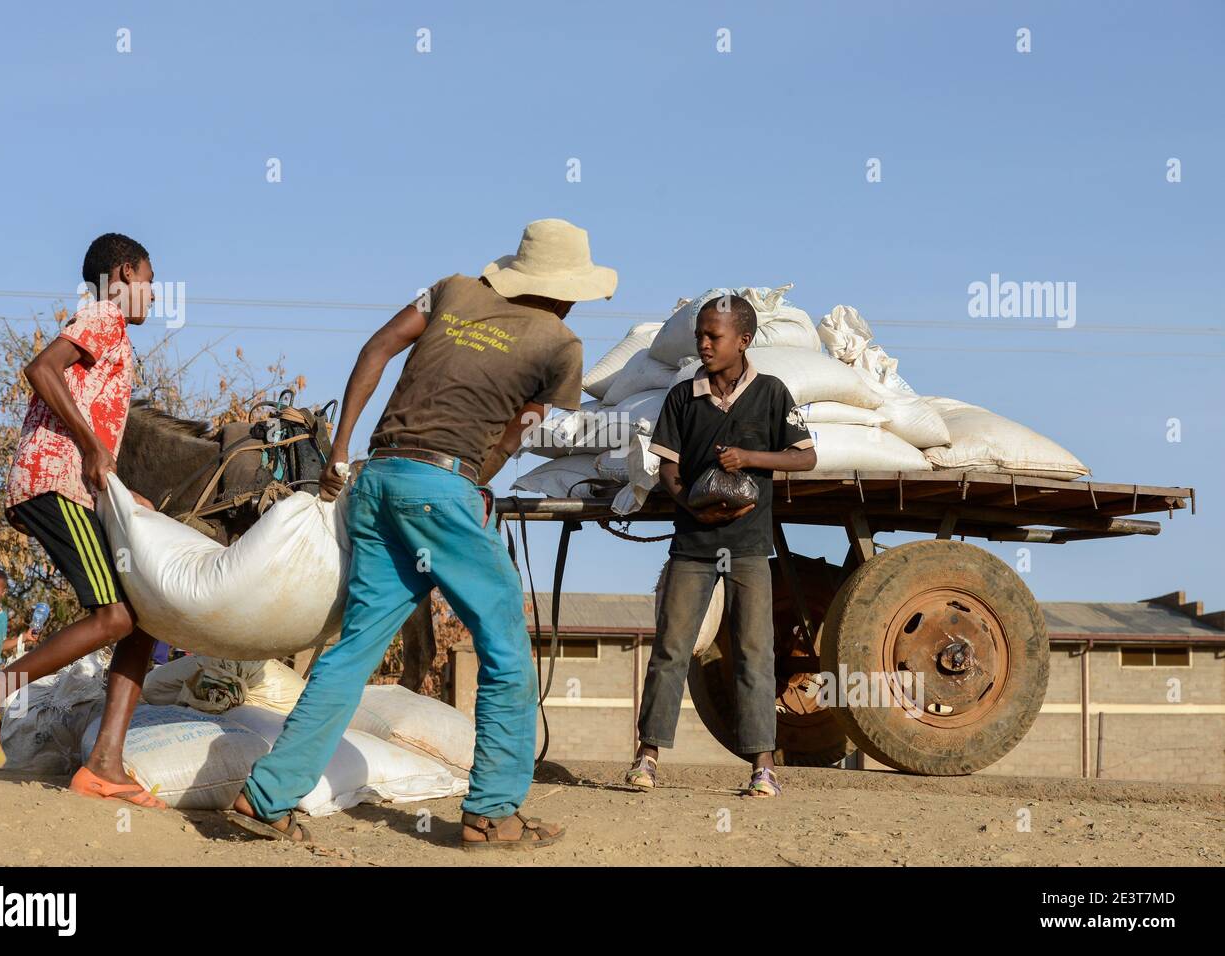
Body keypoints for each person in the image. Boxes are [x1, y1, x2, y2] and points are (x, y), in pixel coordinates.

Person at [227, 218, 616, 849]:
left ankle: (266, 796)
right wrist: (471, 488)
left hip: (375, 480)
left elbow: (375, 351)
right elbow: (512, 436)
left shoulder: (453, 289)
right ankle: (492, 812)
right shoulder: (559, 344)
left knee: (352, 652)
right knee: (506, 645)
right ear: (569, 289)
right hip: (439, 491)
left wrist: (342, 451)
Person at [0, 232, 165, 809]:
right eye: (147, 278)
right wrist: (92, 449)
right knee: (116, 615)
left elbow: (85, 411)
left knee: (141, 620)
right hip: (53, 479)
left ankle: (104, 765)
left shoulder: (114, 335)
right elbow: (41, 369)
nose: (154, 294)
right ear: (121, 275)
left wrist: (120, 488)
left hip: (74, 484)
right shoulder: (104, 315)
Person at [629, 293, 817, 797]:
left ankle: (762, 766)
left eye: (715, 336)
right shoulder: (682, 396)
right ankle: (647, 757)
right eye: (700, 336)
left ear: (744, 341)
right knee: (671, 648)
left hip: (750, 546)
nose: (704, 344)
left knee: (755, 652)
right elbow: (668, 468)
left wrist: (748, 459)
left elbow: (806, 458)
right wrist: (690, 504)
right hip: (691, 544)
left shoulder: (772, 393)